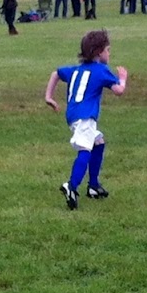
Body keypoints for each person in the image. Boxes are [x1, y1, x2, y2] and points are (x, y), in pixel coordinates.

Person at [43, 29, 128, 210]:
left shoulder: (76, 69)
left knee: (99, 142)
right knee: (85, 149)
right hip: (85, 117)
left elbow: (55, 73)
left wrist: (48, 96)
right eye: (108, 50)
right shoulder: (101, 70)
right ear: (99, 52)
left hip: (73, 116)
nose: (109, 53)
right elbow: (119, 91)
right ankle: (71, 186)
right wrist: (123, 79)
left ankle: (94, 186)